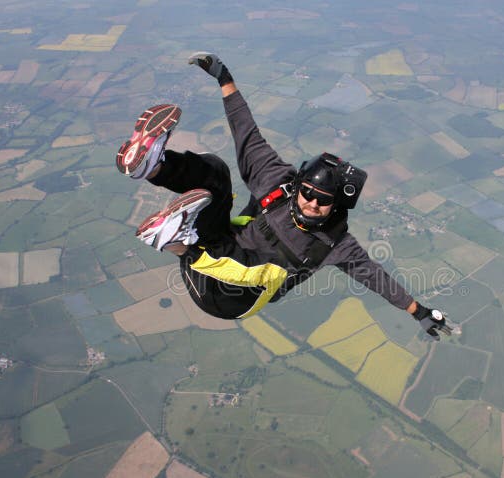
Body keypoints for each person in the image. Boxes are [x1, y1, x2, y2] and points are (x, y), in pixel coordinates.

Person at [115, 52, 451, 339]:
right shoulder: (279, 182)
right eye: (308, 192)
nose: (311, 203)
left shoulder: (334, 242)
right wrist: (224, 79)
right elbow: (247, 133)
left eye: (323, 200)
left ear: (337, 205)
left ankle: (178, 242)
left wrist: (418, 311)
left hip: (229, 297)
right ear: (300, 183)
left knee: (257, 267)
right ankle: (154, 167)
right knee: (216, 172)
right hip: (219, 248)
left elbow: (375, 277)